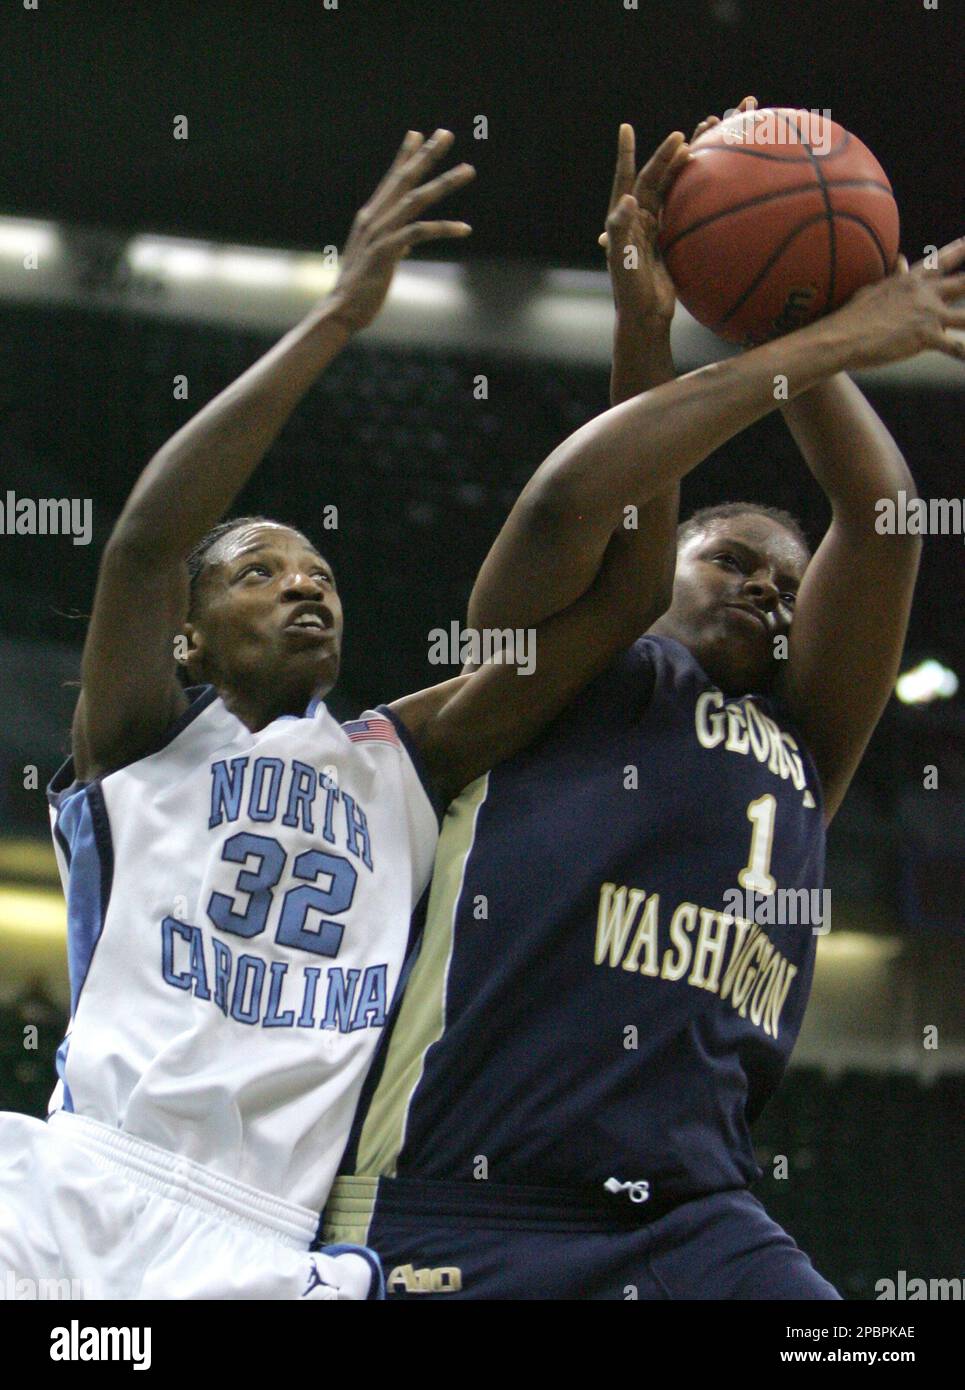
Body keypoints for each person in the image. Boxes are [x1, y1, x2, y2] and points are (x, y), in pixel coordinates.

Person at [0, 129, 677, 1301]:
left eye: (317, 571)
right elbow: (149, 541)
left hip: (264, 1242)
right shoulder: (144, 739)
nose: (305, 581)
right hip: (77, 1190)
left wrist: (643, 335)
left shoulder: (399, 762)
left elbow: (629, 593)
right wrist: (336, 316)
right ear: (188, 635)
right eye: (258, 572)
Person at [322, 106, 965, 1298]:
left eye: (786, 582)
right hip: (471, 1193)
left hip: (694, 1214)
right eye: (732, 561)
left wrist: (791, 317)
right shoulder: (556, 679)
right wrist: (710, 336)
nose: (769, 594)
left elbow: (880, 518)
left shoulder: (801, 738)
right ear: (665, 563)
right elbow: (582, 505)